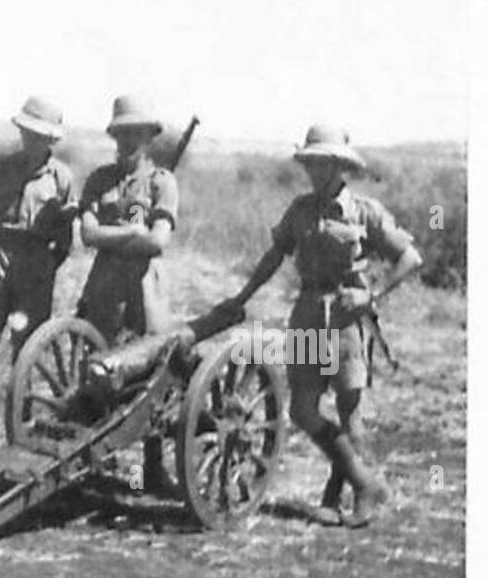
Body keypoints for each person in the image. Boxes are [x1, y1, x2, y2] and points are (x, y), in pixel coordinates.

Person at [223, 124, 422, 527]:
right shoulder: (299, 210)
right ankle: (366, 483)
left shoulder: (366, 211)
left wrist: (372, 295)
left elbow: (410, 258)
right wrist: (241, 298)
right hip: (309, 316)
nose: (311, 170)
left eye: (319, 163)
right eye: (308, 162)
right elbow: (274, 255)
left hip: (348, 319)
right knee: (303, 409)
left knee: (348, 409)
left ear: (336, 166)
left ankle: (339, 498)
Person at [76, 94, 179, 494]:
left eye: (136, 134)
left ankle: (151, 470)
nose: (128, 141)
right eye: (122, 134)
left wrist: (112, 238)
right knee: (100, 366)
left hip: (144, 290)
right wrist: (130, 232)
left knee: (151, 372)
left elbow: (158, 243)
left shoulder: (162, 183)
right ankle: (95, 455)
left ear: (148, 137)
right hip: (103, 288)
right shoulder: (99, 180)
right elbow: (86, 235)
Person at [0, 97, 75, 420]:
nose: (32, 140)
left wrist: (43, 268)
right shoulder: (1, 168)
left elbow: (64, 242)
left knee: (25, 353)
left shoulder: (61, 178)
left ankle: (18, 429)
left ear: (51, 139)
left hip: (36, 268)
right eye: (27, 132)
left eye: (40, 135)